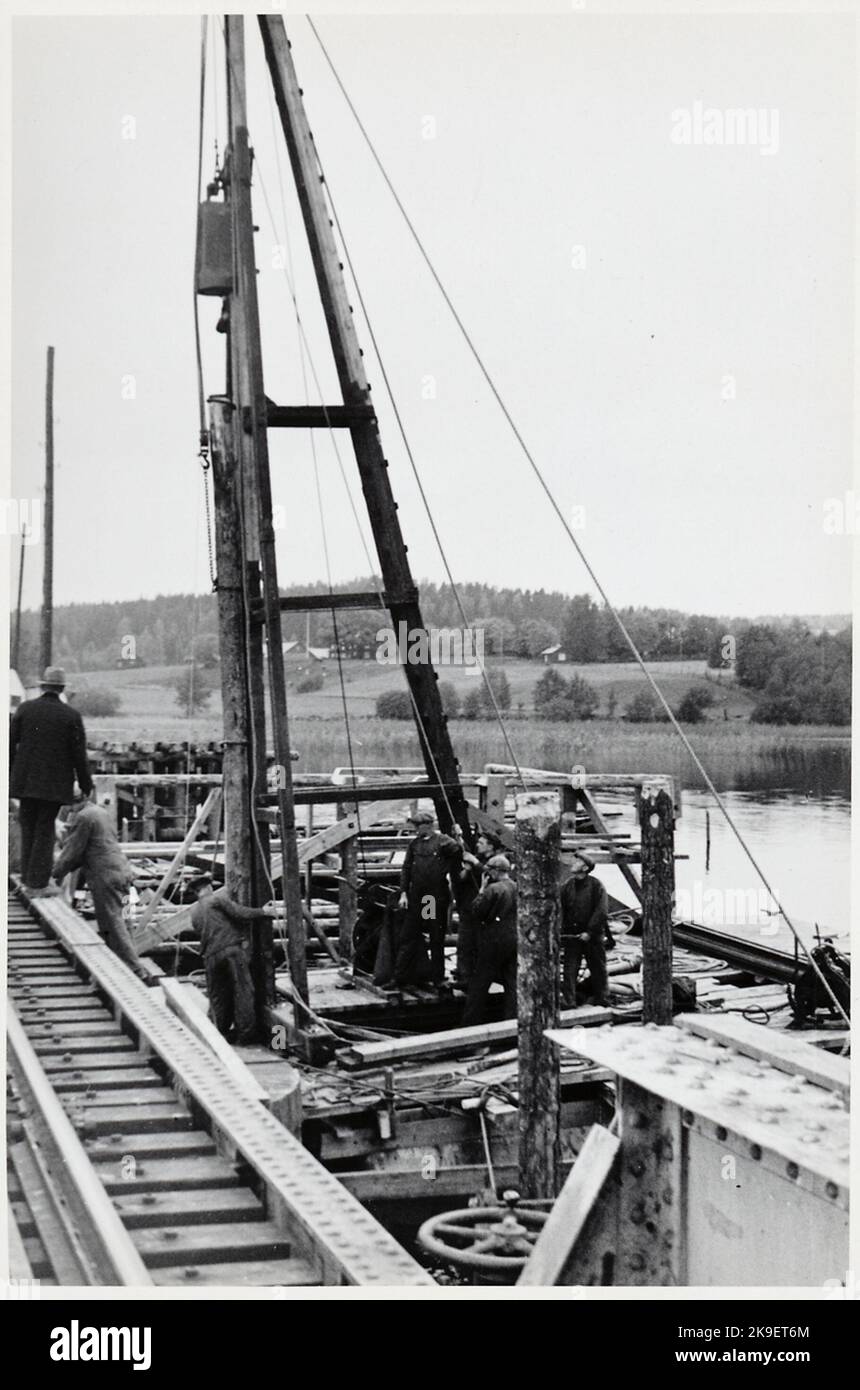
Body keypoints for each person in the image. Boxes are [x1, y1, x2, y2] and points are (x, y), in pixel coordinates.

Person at [10, 666, 93, 891]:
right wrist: (87, 785)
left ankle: (27, 877)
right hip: (53, 786)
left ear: (42, 686)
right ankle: (37, 883)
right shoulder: (71, 716)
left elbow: (9, 746)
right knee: (45, 830)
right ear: (62, 689)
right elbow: (79, 756)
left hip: (24, 783)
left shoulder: (25, 710)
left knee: (28, 826)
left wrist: (10, 775)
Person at [52, 794, 149, 982]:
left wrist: (52, 874)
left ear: (74, 802)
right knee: (125, 920)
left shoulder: (84, 817)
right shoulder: (100, 812)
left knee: (112, 922)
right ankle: (132, 963)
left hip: (105, 877)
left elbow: (72, 853)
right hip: (122, 871)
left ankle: (134, 970)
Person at [189, 877, 275, 1044]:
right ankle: (246, 1035)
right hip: (231, 951)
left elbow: (199, 930)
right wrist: (264, 911)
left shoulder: (193, 911)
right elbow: (240, 913)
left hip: (210, 956)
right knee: (243, 990)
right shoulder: (216, 899)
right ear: (208, 887)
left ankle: (217, 1031)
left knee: (217, 995)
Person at [396, 809, 462, 986]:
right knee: (408, 936)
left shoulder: (442, 842)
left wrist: (458, 836)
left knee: (434, 935)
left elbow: (459, 851)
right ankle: (401, 977)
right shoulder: (414, 845)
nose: (415, 829)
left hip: (431, 900)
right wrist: (403, 892)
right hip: (416, 896)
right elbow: (406, 868)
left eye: (417, 826)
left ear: (427, 826)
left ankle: (436, 977)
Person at [461, 855, 518, 1026]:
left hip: (492, 940)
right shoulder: (516, 887)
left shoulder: (492, 890)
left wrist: (481, 890)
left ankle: (470, 1022)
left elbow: (476, 911)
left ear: (494, 871)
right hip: (513, 939)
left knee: (480, 982)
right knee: (512, 982)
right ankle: (511, 1021)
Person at [559, 851, 611, 1008]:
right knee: (569, 970)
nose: (572, 863)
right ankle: (569, 1001)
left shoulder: (596, 885)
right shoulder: (568, 885)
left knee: (598, 968)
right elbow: (560, 908)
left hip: (592, 937)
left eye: (577, 861)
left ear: (585, 867)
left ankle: (602, 999)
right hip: (572, 936)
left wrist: (590, 931)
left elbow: (601, 911)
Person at [453, 829, 502, 989]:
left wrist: (475, 863)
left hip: (485, 912)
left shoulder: (497, 861)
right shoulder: (478, 858)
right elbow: (461, 880)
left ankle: (478, 978)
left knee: (480, 946)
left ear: (490, 847)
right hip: (469, 908)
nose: (477, 845)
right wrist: (467, 869)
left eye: (481, 843)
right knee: (464, 943)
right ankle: (464, 976)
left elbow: (494, 877)